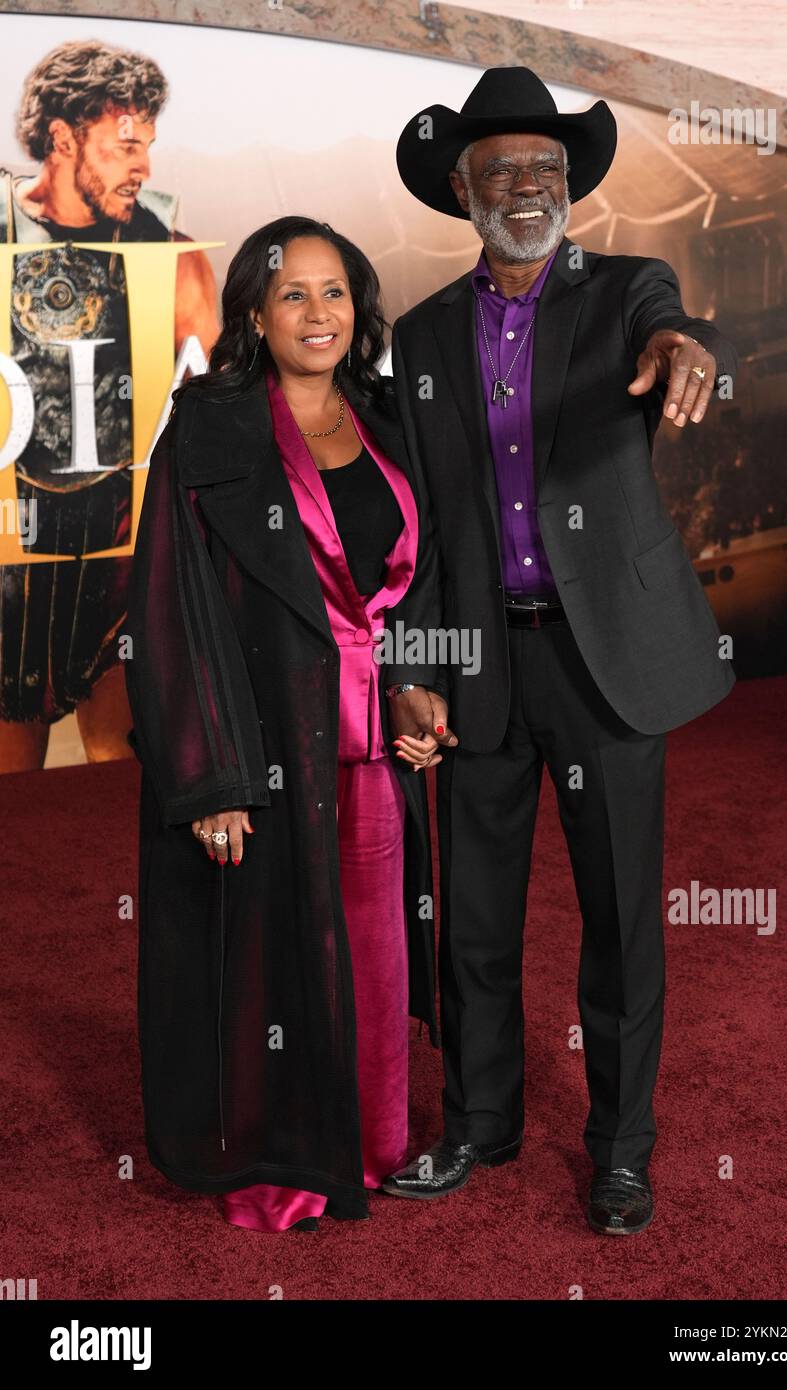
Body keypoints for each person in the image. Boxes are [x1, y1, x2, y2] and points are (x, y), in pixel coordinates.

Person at [381, 66, 738, 1234]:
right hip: (482, 660)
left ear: (567, 185)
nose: (527, 186)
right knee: (471, 921)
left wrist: (684, 346)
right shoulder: (425, 334)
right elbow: (427, 522)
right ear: (461, 186)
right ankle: (478, 1125)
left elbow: (669, 324)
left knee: (622, 923)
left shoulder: (628, 288)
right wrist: (418, 669)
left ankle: (620, 1152)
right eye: (502, 170)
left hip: (605, 665)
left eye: (545, 168)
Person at [124, 216, 453, 1232]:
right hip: (263, 744)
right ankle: (286, 1160)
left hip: (367, 751)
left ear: (359, 310)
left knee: (370, 946)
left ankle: (369, 1140)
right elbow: (169, 605)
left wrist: (417, 686)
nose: (318, 313)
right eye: (293, 294)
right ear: (254, 316)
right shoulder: (209, 429)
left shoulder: (391, 421)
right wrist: (210, 775)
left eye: (335, 292)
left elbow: (413, 589)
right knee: (275, 953)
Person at [0, 38, 219, 771]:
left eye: (148, 145)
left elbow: (215, 409)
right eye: (125, 143)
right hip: (10, 560)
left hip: (124, 558)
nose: (144, 164)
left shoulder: (174, 254)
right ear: (63, 136)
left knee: (123, 781)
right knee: (11, 790)